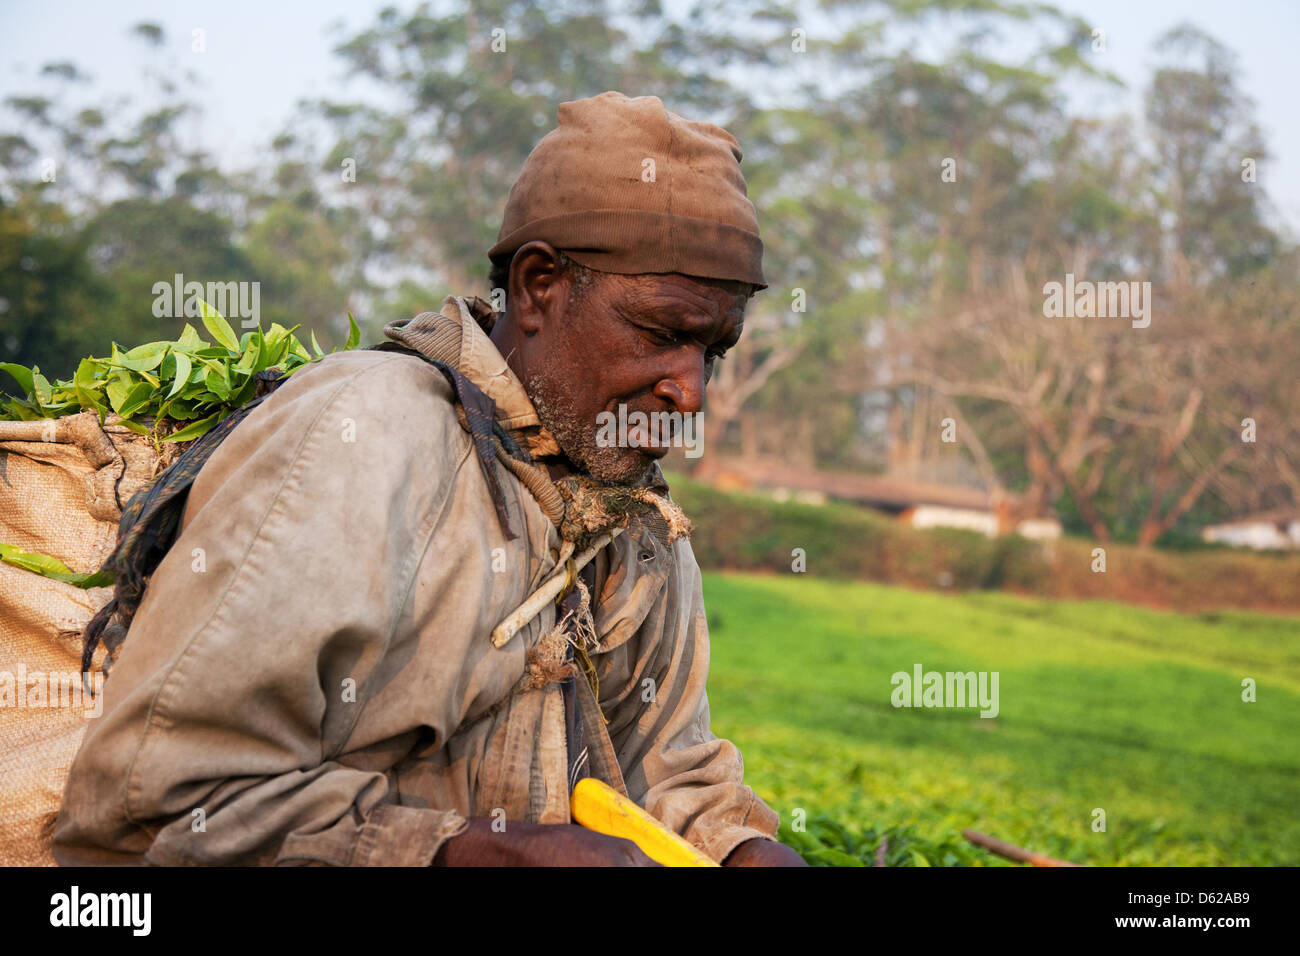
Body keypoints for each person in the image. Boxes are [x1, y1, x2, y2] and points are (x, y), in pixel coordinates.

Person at [52, 90, 805, 867]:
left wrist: (741, 846)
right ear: (539, 285)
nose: (690, 391)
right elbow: (152, 813)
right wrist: (462, 856)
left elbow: (667, 771)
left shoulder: (635, 525)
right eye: (660, 333)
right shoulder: (363, 440)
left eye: (711, 351)